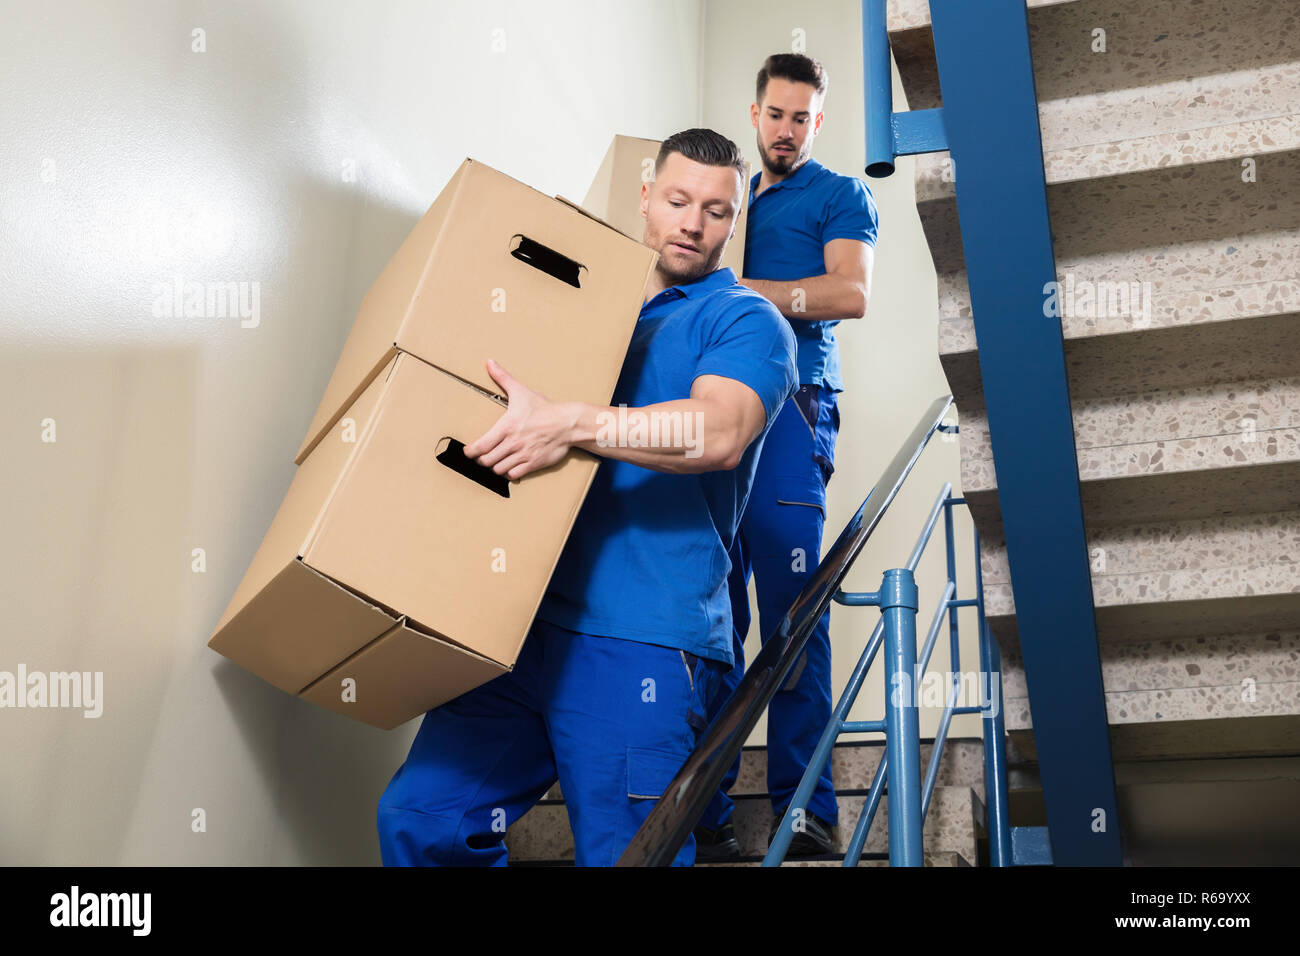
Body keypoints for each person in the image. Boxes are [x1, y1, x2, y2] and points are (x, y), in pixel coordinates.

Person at [376, 128, 798, 867]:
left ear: (737, 219)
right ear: (645, 198)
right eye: (676, 200)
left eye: (717, 210)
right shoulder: (583, 310)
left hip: (640, 635)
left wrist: (572, 423)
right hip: (520, 626)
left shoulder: (742, 321)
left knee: (627, 855)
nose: (693, 223)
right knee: (424, 817)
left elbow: (721, 431)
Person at [693, 54, 878, 861]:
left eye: (802, 117)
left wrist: (738, 287)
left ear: (818, 122)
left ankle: (806, 809)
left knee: (793, 611)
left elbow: (849, 295)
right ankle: (708, 812)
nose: (787, 130)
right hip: (717, 411)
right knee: (711, 615)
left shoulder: (839, 193)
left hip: (794, 412)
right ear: (756, 111)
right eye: (776, 114)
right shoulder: (732, 196)